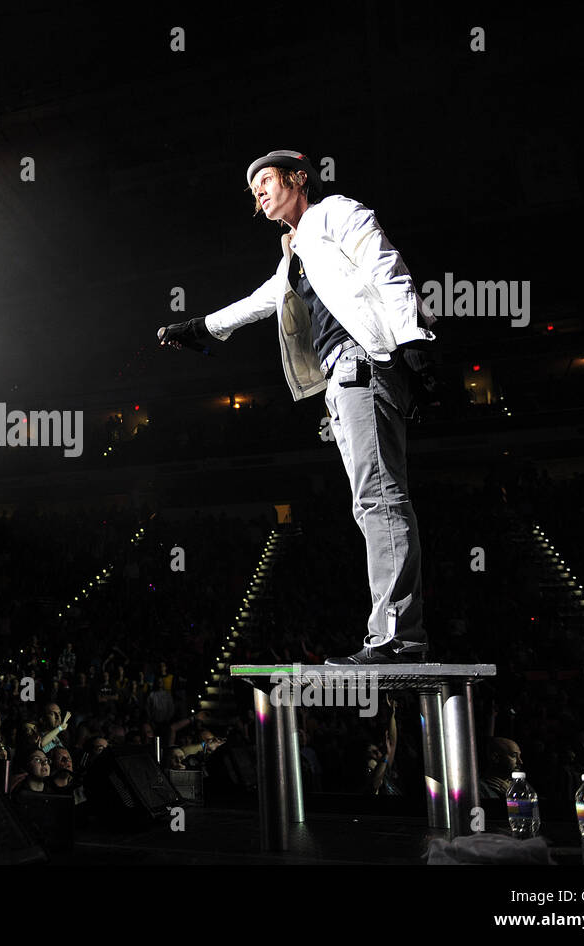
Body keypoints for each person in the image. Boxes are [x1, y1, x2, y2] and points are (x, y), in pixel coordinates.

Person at [159, 149, 436, 664]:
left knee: (379, 499)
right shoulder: (296, 248)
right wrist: (202, 328)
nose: (258, 192)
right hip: (339, 375)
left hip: (363, 361)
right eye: (253, 189)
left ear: (298, 178)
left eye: (265, 180)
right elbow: (266, 298)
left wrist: (411, 339)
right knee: (370, 501)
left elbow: (384, 264)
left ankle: (399, 636)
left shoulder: (334, 212)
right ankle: (396, 632)